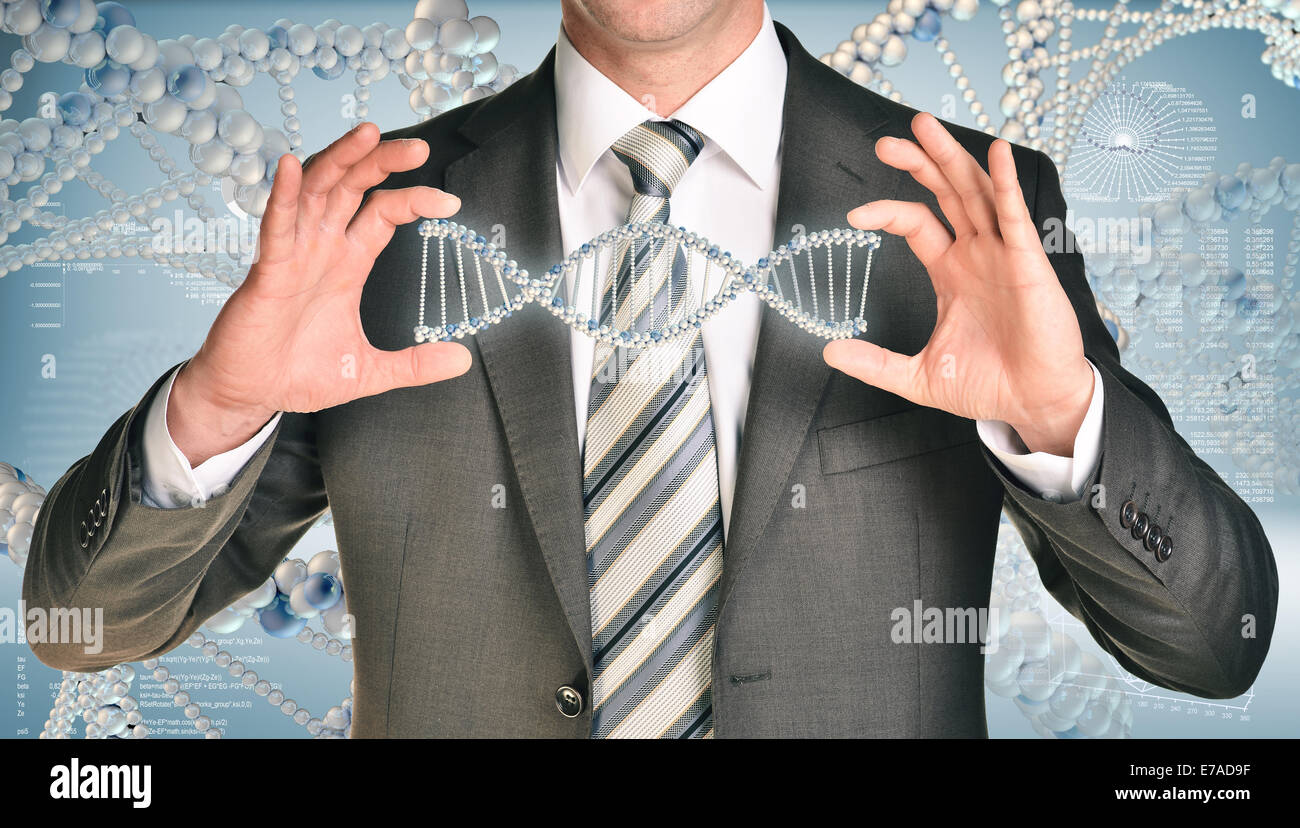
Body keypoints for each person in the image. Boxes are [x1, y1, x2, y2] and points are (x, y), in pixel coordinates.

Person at [24, 0, 1277, 738]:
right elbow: (79, 626)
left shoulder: (970, 208)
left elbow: (1215, 644)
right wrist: (220, 404)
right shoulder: (371, 219)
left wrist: (1062, 418)